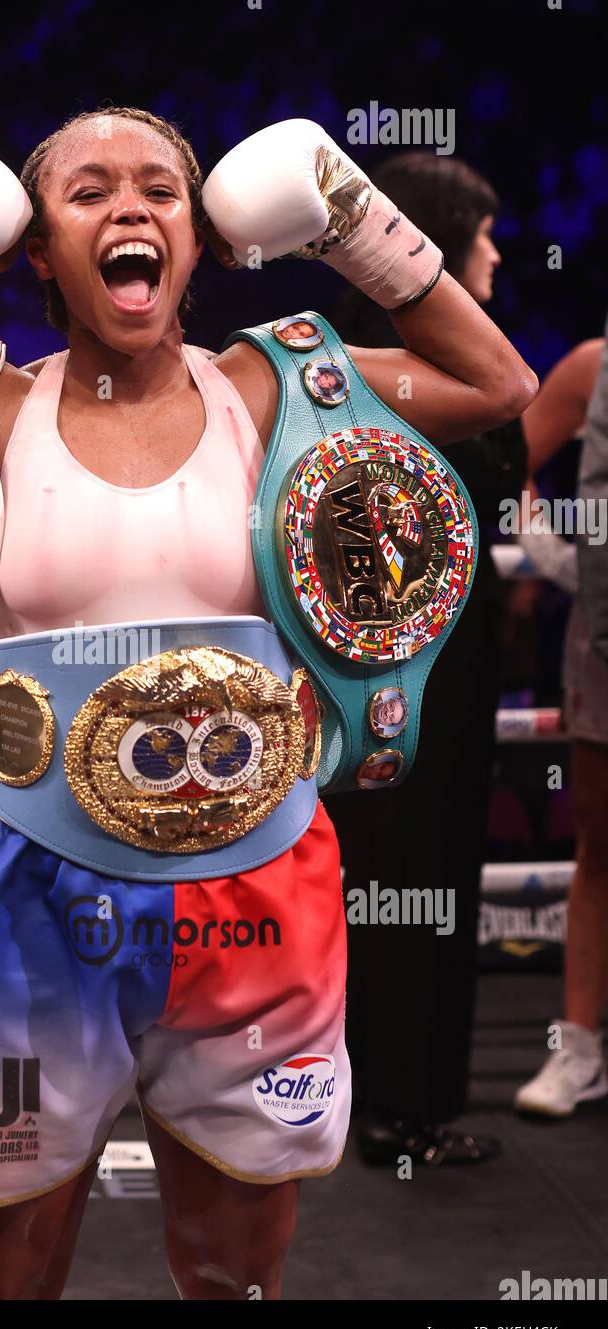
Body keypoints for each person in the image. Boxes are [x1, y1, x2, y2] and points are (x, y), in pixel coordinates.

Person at [0, 108, 535, 1299]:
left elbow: (496, 382)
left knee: (232, 1271)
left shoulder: (278, 385)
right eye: (89, 192)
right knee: (3, 1275)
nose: (130, 208)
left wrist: (352, 224)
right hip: (26, 878)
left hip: (252, 874)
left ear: (204, 237)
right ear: (36, 247)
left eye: (161, 190)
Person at [324, 154, 528, 1167]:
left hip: (403, 649)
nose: (495, 251)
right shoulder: (394, 368)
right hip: (414, 653)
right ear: (437, 242)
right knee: (410, 867)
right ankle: (402, 1104)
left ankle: (377, 1093)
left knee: (392, 870)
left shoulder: (361, 356)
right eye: (479, 233)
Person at [515, 327, 608, 1116]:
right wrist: (556, 561)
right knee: (599, 842)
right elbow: (504, 461)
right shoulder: (593, 366)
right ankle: (577, 1048)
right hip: (603, 638)